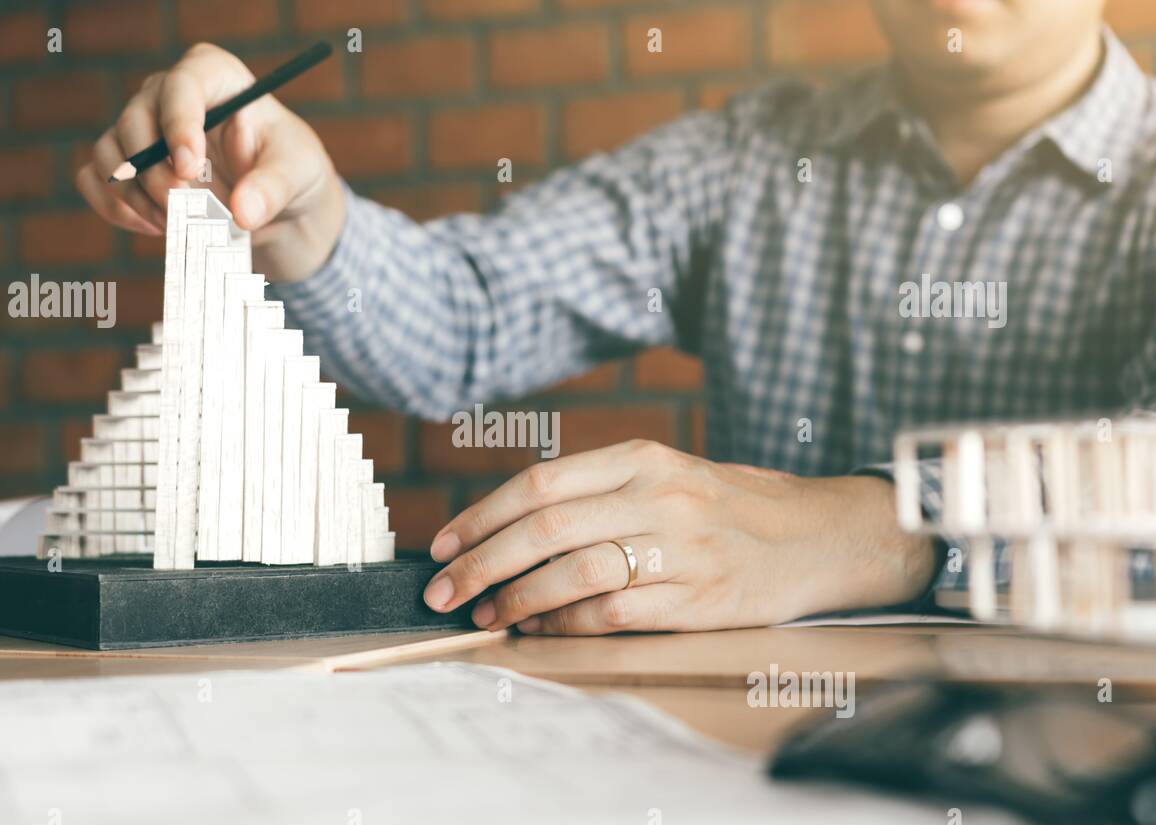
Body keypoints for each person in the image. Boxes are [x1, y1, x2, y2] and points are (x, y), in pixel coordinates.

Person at [77, 0, 1155, 635]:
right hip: (736, 754)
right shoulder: (747, 156)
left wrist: (872, 529)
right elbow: (465, 315)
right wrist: (300, 215)